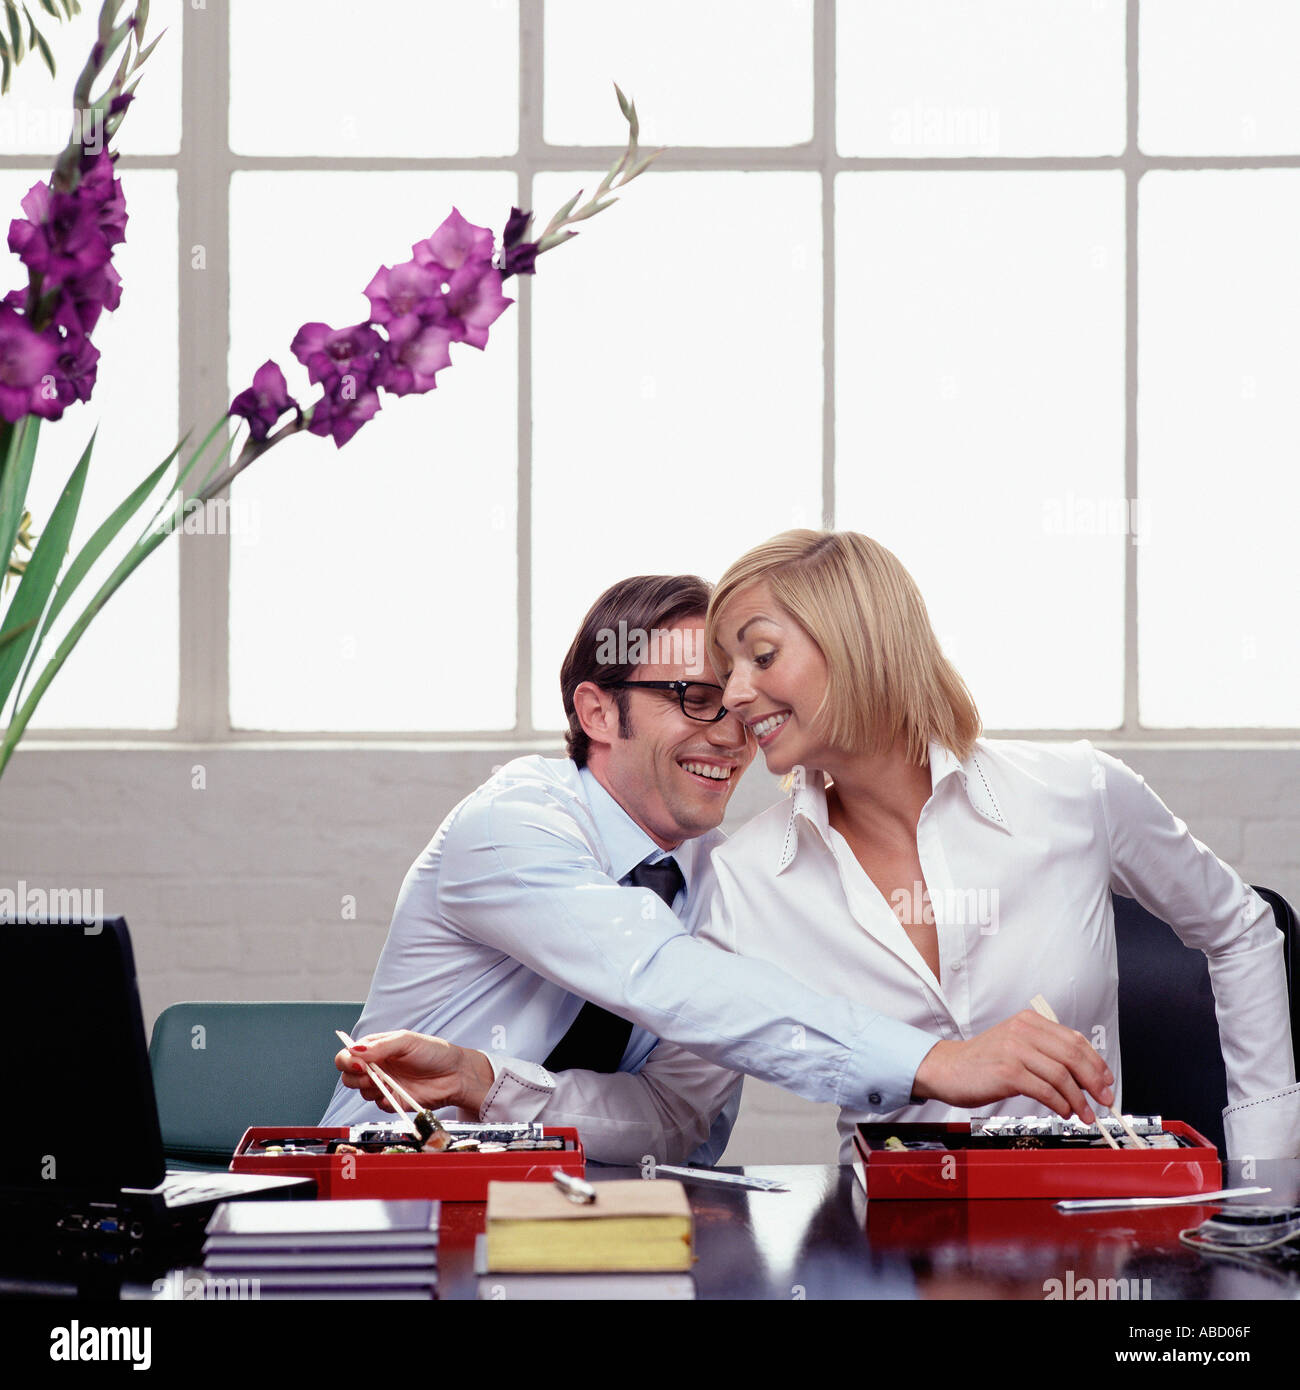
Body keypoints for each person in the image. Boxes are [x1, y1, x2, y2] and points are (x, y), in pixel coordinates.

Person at [325, 572, 1115, 1164]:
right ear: (598, 712)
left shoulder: (723, 881)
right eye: (694, 698)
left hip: (597, 1227)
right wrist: (936, 1061)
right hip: (391, 1195)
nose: (733, 736)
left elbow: (673, 1120)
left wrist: (486, 1081)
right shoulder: (512, 826)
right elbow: (661, 977)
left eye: (740, 708)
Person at [700, 528, 1300, 1161]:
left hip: (1084, 1232)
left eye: (761, 656)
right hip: (887, 1242)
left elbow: (1242, 929)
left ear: (857, 644)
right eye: (727, 671)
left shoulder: (1074, 790)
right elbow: (682, 1082)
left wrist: (1265, 1174)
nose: (734, 695)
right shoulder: (746, 878)